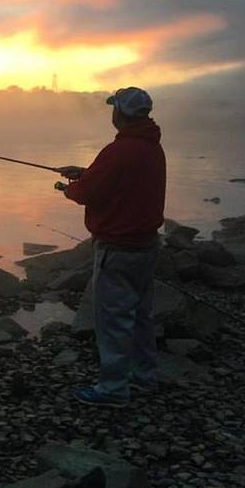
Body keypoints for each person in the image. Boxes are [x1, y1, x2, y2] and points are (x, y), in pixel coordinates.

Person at [57, 86, 166, 408]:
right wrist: (87, 175)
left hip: (118, 249)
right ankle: (145, 378)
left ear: (121, 113)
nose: (112, 113)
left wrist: (72, 187)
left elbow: (87, 194)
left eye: (114, 108)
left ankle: (114, 389)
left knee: (113, 321)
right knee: (141, 316)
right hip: (146, 246)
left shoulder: (119, 150)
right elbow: (119, 181)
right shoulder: (151, 147)